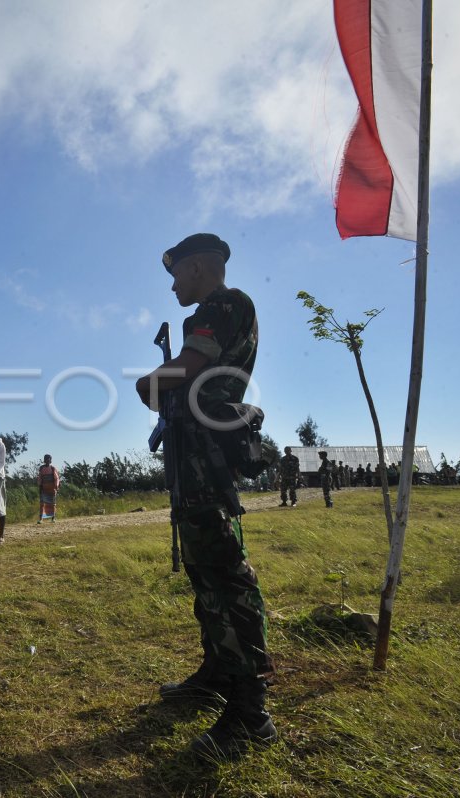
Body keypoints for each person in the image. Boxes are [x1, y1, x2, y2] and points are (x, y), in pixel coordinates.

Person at [135, 233, 276, 759]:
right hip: (194, 456)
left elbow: (190, 368)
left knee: (225, 570)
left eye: (176, 274)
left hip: (206, 459)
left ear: (197, 267)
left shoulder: (224, 305)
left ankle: (250, 710)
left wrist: (147, 383)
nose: (173, 285)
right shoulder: (216, 310)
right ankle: (219, 671)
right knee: (204, 570)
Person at [37, 455, 60, 522]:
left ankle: (53, 518)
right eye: (46, 459)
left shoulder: (53, 468)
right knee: (42, 504)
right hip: (44, 489)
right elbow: (40, 478)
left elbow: (56, 478)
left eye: (48, 459)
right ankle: (41, 519)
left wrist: (56, 487)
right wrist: (40, 486)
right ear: (44, 460)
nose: (47, 460)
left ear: (50, 460)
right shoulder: (41, 468)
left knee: (53, 504)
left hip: (52, 489)